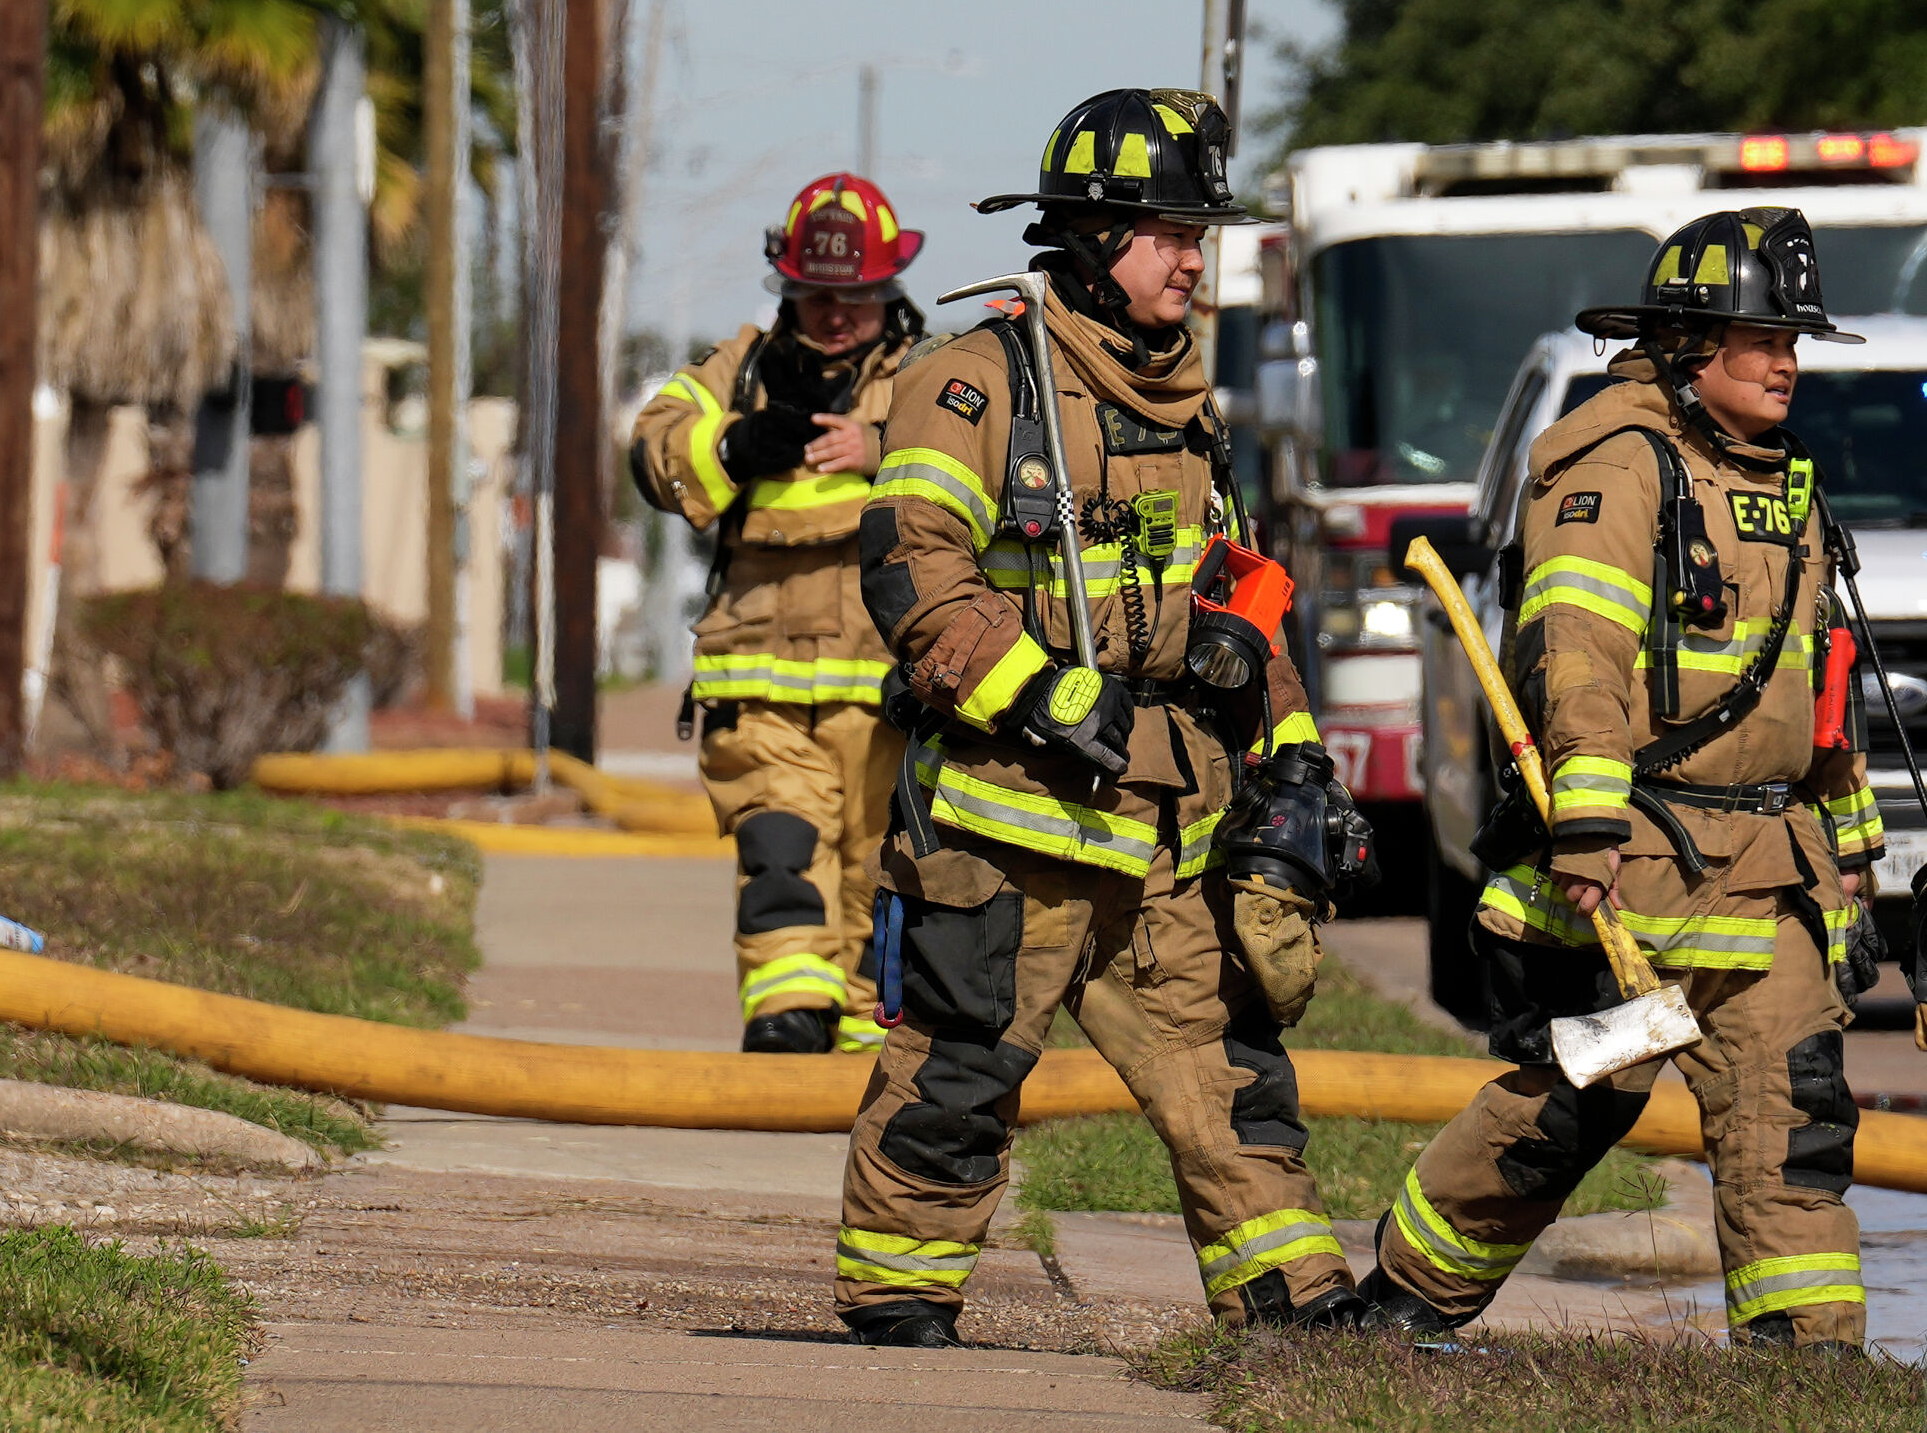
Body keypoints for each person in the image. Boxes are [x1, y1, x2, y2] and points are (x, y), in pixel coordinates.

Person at [832, 88, 1373, 1349]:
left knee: (1229, 1066)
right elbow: (913, 569)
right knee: (960, 1070)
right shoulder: (973, 383)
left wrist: (1292, 746)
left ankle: (1293, 1300)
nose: (1192, 260)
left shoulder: (1189, 404)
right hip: (1009, 820)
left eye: (1198, 235)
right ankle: (897, 1301)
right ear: (1089, 237)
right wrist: (1043, 691)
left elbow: (1240, 593)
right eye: (1169, 234)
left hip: (1169, 825)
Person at [1361, 207, 1884, 1352]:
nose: (1786, 364)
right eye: (1763, 340)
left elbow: (1815, 692)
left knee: (1792, 1117)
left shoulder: (1784, 485)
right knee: (1570, 1104)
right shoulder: (1614, 468)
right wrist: (1587, 829)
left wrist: (1848, 853)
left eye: (1793, 343)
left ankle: (1808, 1359)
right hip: (1629, 869)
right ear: (1692, 347)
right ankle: (1404, 1301)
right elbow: (1578, 663)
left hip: (1767, 874)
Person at [631, 174, 924, 1055]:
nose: (837, 315)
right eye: (818, 295)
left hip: (888, 692)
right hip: (758, 683)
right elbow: (652, 444)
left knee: (885, 872)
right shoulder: (742, 369)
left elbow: (994, 460)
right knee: (781, 855)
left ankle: (874, 1050)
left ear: (888, 289)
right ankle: (787, 1019)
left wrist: (882, 447)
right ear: (789, 286)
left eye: (857, 297)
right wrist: (732, 442)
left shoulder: (929, 379)